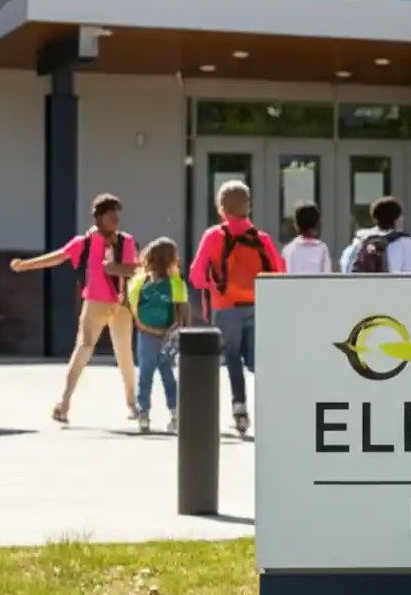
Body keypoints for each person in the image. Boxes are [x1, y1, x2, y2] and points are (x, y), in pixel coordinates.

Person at [12, 193, 138, 424]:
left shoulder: (126, 241)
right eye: (111, 214)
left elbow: (133, 270)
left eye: (117, 214)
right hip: (94, 303)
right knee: (83, 348)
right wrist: (26, 265)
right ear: (99, 217)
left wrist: (115, 268)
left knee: (125, 354)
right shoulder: (85, 243)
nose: (116, 219)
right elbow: (58, 257)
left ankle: (132, 404)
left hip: (121, 305)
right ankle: (64, 402)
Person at [189, 180, 283, 435]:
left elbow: (196, 277)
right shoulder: (261, 238)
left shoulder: (213, 236)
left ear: (221, 208)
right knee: (258, 360)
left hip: (225, 306)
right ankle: (274, 409)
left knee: (231, 358)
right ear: (249, 206)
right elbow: (280, 272)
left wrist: (215, 284)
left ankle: (239, 408)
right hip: (258, 305)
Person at [126, 237, 188, 434]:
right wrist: (171, 331)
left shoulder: (140, 282)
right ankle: (174, 413)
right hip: (162, 335)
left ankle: (145, 413)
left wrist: (147, 328)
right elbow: (182, 312)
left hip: (149, 335)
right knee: (165, 373)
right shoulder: (174, 284)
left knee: (148, 374)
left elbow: (133, 310)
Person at [339, 196, 411, 273]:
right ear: (397, 219)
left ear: (374, 218)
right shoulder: (405, 243)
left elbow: (346, 268)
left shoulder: (359, 241)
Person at [280, 202, 332, 274]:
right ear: (317, 224)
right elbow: (327, 277)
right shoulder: (322, 249)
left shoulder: (288, 250)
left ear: (296, 225)